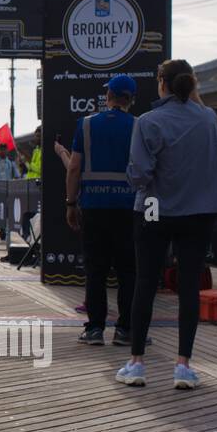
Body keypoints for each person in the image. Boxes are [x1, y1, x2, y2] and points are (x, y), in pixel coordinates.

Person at [118, 60, 217, 390]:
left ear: (162, 83)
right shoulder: (208, 118)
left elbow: (139, 175)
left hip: (154, 210)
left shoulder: (148, 121)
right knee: (188, 288)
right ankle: (183, 366)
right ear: (191, 83)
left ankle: (136, 363)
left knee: (146, 283)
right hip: (197, 213)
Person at [66, 75, 138, 346]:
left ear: (108, 96)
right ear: (130, 98)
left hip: (94, 208)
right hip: (128, 209)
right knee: (128, 271)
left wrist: (71, 204)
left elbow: (74, 168)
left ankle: (95, 329)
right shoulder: (139, 126)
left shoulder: (85, 125)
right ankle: (126, 330)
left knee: (95, 270)